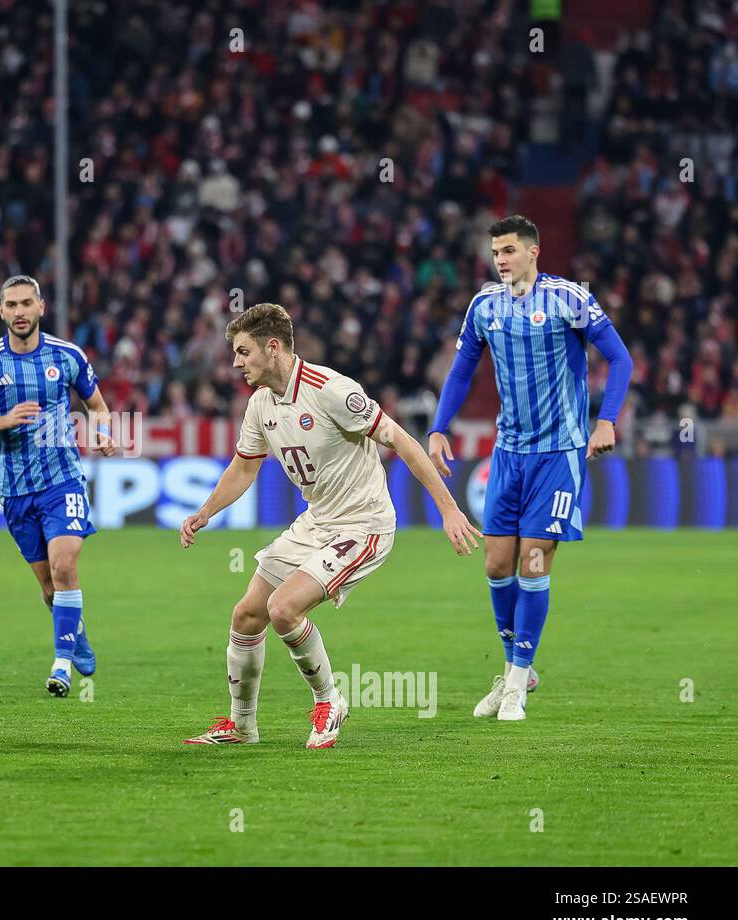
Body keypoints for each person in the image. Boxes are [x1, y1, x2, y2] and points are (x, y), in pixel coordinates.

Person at [180, 303, 479, 748]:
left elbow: (403, 442)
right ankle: (243, 727)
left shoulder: (332, 390)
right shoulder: (261, 404)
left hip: (364, 525)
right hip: (317, 522)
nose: (236, 362)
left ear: (273, 347)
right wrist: (205, 513)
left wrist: (449, 508)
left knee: (284, 609)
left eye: (244, 352)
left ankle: (330, 701)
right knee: (246, 615)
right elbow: (244, 469)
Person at [429, 215, 632, 721]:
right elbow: (460, 370)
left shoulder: (569, 299)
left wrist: (606, 420)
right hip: (508, 451)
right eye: (496, 251)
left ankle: (517, 683)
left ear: (534, 252)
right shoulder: (483, 306)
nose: (500, 259)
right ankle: (516, 668)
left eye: (509, 250)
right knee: (497, 564)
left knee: (533, 562)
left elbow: (621, 360)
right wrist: (438, 427)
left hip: (559, 453)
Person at [0, 275, 117, 696]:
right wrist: (3, 422)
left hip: (63, 481)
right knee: (49, 587)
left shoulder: (67, 356)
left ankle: (61, 665)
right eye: (12, 305)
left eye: (28, 303)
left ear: (42, 307)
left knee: (65, 567)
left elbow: (97, 405)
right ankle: (74, 635)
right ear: (1, 311)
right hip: (13, 489)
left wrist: (102, 431)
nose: (21, 311)